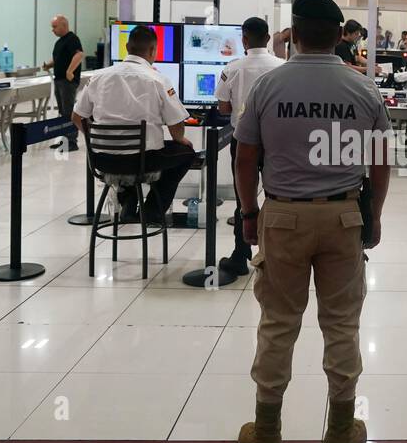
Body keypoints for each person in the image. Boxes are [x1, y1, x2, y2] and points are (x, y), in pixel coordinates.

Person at [233, 0, 391, 443]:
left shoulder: (267, 85)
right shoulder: (363, 90)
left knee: (278, 324)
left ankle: (266, 436)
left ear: (294, 34)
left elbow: (244, 157)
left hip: (282, 216)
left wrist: (248, 214)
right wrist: (375, 216)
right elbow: (381, 161)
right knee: (341, 324)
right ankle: (340, 435)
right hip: (344, 217)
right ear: (341, 35)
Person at [71, 24, 195, 225]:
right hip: (143, 161)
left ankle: (127, 198)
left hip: (102, 160)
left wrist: (97, 138)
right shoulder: (158, 80)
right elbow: (176, 125)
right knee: (186, 154)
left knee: (128, 157)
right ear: (153, 50)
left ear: (127, 47)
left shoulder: (98, 77)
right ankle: (153, 211)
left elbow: (77, 118)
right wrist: (180, 139)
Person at [215, 17, 284, 276]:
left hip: (242, 141)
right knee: (277, 196)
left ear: (244, 40)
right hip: (278, 141)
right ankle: (274, 253)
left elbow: (223, 107)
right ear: (267, 39)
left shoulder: (232, 68)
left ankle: (241, 254)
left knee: (244, 198)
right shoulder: (282, 67)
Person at [43, 14, 84, 151]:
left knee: (68, 111)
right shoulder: (60, 41)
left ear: (63, 26)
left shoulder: (72, 39)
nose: (52, 30)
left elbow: (79, 55)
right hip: (59, 81)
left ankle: (72, 141)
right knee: (62, 111)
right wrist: (49, 65)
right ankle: (64, 140)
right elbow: (59, 59)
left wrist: (70, 71)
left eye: (54, 27)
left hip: (67, 82)